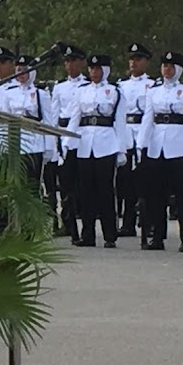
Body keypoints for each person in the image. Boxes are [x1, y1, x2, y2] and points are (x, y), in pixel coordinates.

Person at [137, 52, 183, 252]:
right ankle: (158, 236)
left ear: (179, 69)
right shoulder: (153, 91)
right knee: (156, 194)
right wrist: (141, 144)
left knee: (181, 193)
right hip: (157, 146)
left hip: (178, 144)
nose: (167, 69)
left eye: (171, 66)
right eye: (164, 65)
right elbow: (148, 119)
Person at [67, 55, 129, 249]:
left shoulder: (114, 91)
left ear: (106, 70)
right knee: (85, 192)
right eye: (92, 69)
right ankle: (88, 234)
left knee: (105, 191)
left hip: (106, 143)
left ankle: (110, 234)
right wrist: (67, 142)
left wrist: (121, 149)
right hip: (85, 143)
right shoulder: (81, 91)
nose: (94, 72)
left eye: (98, 69)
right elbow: (75, 118)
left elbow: (120, 122)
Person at [0, 54, 57, 195]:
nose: (21, 73)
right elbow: (5, 118)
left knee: (33, 185)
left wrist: (50, 147)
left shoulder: (40, 94)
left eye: (24, 70)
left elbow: (48, 121)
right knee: (16, 186)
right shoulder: (9, 93)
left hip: (34, 143)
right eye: (18, 69)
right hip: (15, 143)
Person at [52, 44, 89, 240]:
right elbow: (54, 115)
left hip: (82, 136)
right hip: (64, 134)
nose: (69, 65)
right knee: (66, 186)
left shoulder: (89, 85)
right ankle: (68, 224)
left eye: (73, 60)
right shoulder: (59, 87)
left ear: (81, 63)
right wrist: (55, 140)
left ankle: (85, 222)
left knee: (82, 184)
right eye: (66, 61)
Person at [117, 43, 153, 241]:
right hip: (126, 134)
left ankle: (148, 223)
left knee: (146, 183)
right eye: (132, 59)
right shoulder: (121, 86)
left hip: (143, 134)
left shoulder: (152, 85)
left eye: (138, 59)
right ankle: (127, 222)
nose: (134, 62)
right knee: (125, 183)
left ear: (146, 62)